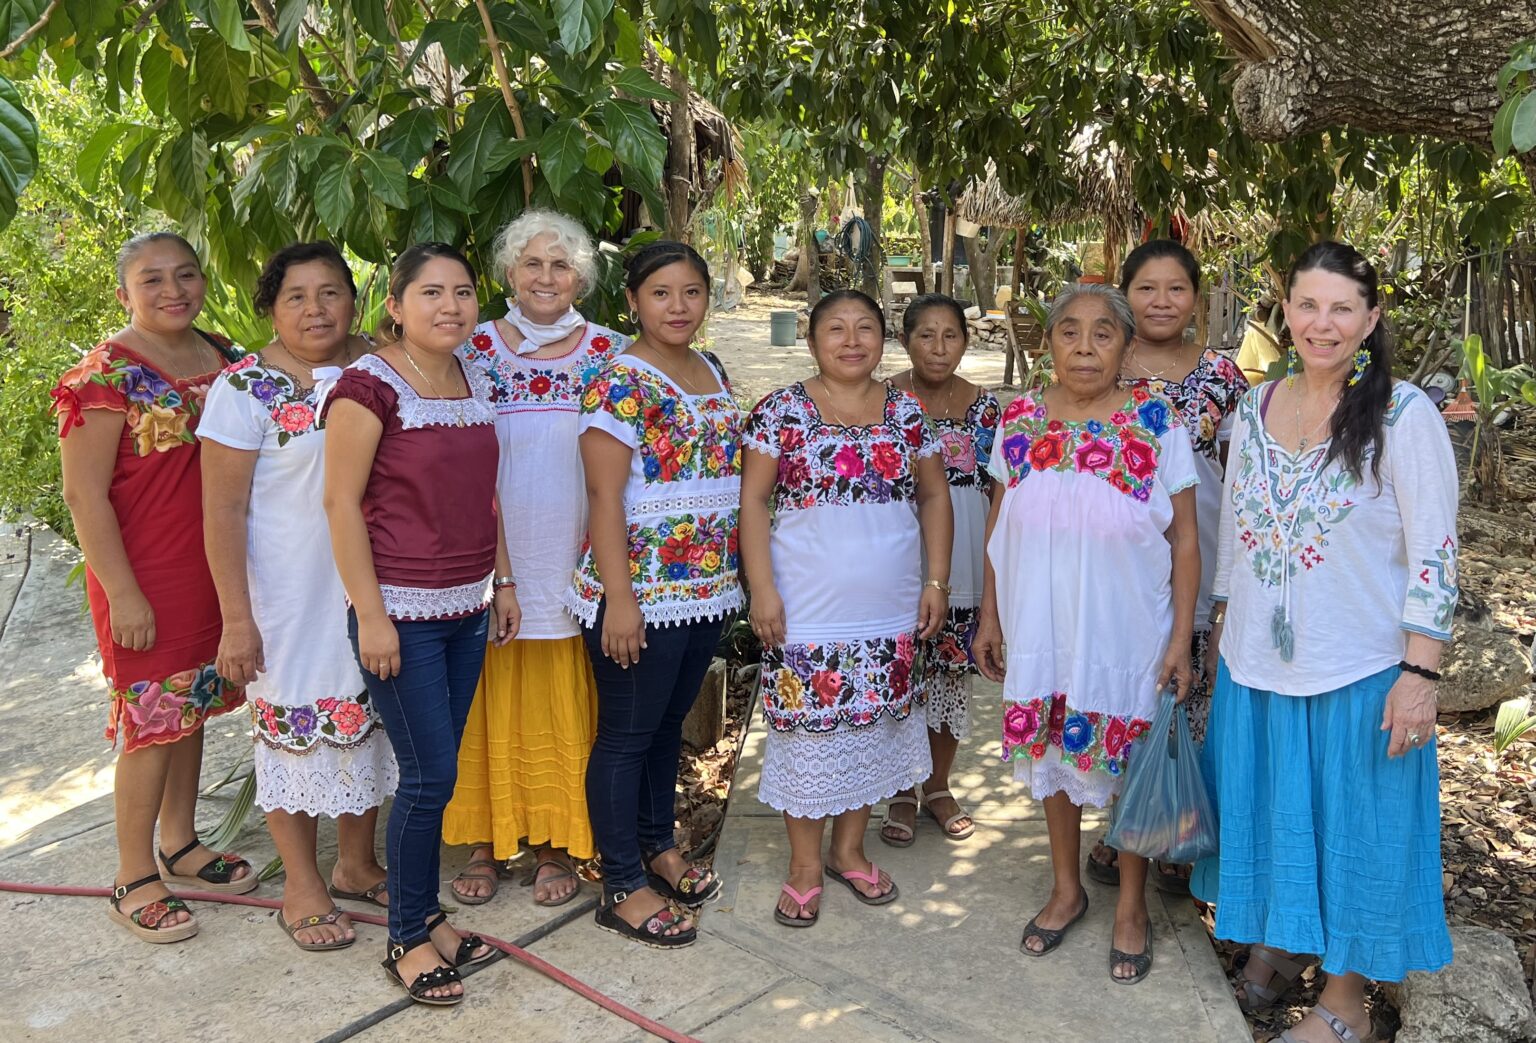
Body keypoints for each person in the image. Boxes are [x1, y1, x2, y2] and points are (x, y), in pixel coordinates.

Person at [1193, 241, 1458, 1043]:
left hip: (1362, 667)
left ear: (1371, 319)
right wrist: (1221, 625)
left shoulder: (1403, 414)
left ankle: (1344, 1002)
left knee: (1355, 829)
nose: (1323, 322)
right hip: (1258, 662)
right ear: (1286, 312)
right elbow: (1238, 533)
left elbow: (1436, 551)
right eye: (1308, 305)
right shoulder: (1256, 406)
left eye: (1343, 307)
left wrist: (1420, 671)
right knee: (1279, 813)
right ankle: (1285, 939)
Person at [972, 282, 1201, 984]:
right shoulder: (1017, 419)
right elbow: (999, 523)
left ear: (1127, 347)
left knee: (1126, 760)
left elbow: (1187, 540)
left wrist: (1181, 637)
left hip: (1126, 627)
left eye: (1104, 334)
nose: (1085, 346)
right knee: (1054, 750)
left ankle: (1130, 902)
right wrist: (990, 613)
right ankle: (1067, 886)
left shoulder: (1156, 419)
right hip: (1042, 624)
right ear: (1048, 344)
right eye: (1069, 331)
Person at [322, 242, 519, 1006]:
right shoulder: (366, 388)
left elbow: (486, 490)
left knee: (436, 775)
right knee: (430, 775)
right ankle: (406, 934)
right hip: (399, 614)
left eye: (463, 292)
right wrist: (371, 616)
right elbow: (340, 504)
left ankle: (426, 914)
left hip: (467, 607)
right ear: (394, 305)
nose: (451, 306)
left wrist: (500, 580)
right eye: (430, 292)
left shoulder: (473, 375)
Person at [53, 232, 254, 944]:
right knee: (150, 723)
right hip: (146, 579)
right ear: (124, 293)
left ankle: (182, 840)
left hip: (212, 570)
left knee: (190, 706)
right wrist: (124, 594)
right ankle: (133, 874)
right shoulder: (102, 376)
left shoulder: (224, 354)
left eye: (186, 274)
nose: (174, 290)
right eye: (152, 279)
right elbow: (84, 496)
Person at [201, 242, 397, 952]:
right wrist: (235, 619)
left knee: (368, 716)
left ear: (355, 298)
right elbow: (220, 512)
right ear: (271, 307)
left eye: (330, 292)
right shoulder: (246, 387)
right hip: (288, 596)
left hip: (375, 583)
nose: (316, 309)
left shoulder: (382, 367)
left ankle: (355, 861)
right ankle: (301, 885)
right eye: (296, 297)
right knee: (294, 728)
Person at [742, 289, 953, 927]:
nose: (852, 340)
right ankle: (805, 866)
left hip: (887, 612)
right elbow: (752, 503)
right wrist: (763, 590)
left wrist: (936, 583)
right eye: (836, 328)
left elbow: (936, 498)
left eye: (866, 328)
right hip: (806, 609)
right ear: (811, 340)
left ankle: (848, 851)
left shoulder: (906, 411)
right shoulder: (781, 410)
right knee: (806, 736)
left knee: (871, 732)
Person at [446, 210, 628, 907]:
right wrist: (498, 572)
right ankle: (486, 840)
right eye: (532, 263)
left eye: (560, 265)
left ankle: (554, 841)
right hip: (490, 556)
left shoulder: (610, 353)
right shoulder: (474, 348)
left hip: (574, 557)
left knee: (561, 700)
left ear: (580, 276)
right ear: (508, 273)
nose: (546, 277)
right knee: (482, 696)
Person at [565, 241, 742, 948]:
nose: (678, 306)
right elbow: (604, 496)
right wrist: (620, 600)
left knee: (667, 730)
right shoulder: (618, 380)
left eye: (692, 292)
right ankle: (620, 884)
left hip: (702, 590)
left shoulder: (711, 368)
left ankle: (658, 848)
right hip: (639, 592)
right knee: (627, 736)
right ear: (633, 300)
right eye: (662, 293)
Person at [1087, 240, 1249, 891]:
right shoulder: (1101, 366)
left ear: (1196, 298)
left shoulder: (1223, 377)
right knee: (1119, 693)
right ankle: (1118, 826)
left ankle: (1177, 830)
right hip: (1114, 570)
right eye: (1147, 288)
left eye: (1175, 288)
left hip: (1200, 561)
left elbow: (1242, 481)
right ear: (1125, 294)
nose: (1161, 301)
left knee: (1188, 700)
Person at [879, 293, 999, 848]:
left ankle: (938, 785)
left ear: (965, 343)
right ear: (905, 342)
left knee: (950, 673)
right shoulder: (881, 401)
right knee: (900, 672)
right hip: (900, 555)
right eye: (925, 335)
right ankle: (900, 789)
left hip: (966, 557)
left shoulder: (988, 409)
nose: (938, 347)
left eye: (950, 335)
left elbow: (1002, 495)